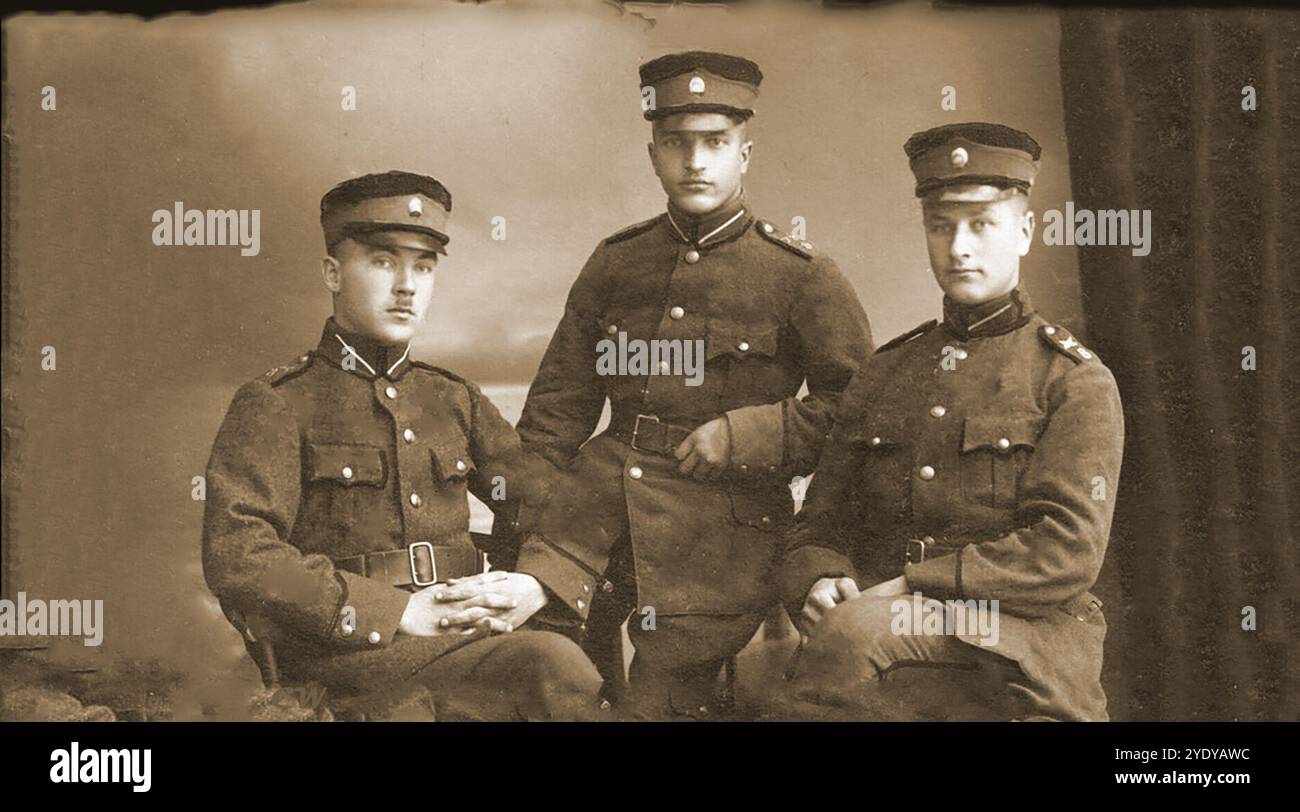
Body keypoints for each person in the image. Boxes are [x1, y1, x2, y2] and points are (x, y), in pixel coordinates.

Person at [513, 52, 874, 718]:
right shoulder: (617, 263)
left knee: (669, 698)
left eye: (716, 143)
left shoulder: (799, 273)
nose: (696, 162)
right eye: (678, 143)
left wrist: (752, 433)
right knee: (550, 677)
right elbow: (556, 412)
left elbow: (857, 413)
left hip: (724, 535)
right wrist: (529, 523)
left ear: (747, 153)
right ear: (653, 153)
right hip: (597, 515)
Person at [201, 170, 602, 721]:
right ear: (333, 273)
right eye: (384, 261)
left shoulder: (453, 399)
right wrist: (394, 610)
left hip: (467, 644)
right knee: (549, 667)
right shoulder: (276, 403)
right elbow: (240, 555)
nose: (407, 285)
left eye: (424, 266)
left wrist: (536, 585)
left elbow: (560, 511)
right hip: (346, 659)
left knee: (568, 667)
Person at [774, 123, 1124, 721]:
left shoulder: (1072, 379)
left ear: (1024, 232)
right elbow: (819, 522)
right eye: (941, 225)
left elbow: (1064, 553)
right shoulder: (885, 371)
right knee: (842, 643)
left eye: (982, 224)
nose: (959, 246)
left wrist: (910, 585)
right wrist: (818, 578)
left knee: (851, 640)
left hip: (1020, 640)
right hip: (883, 635)